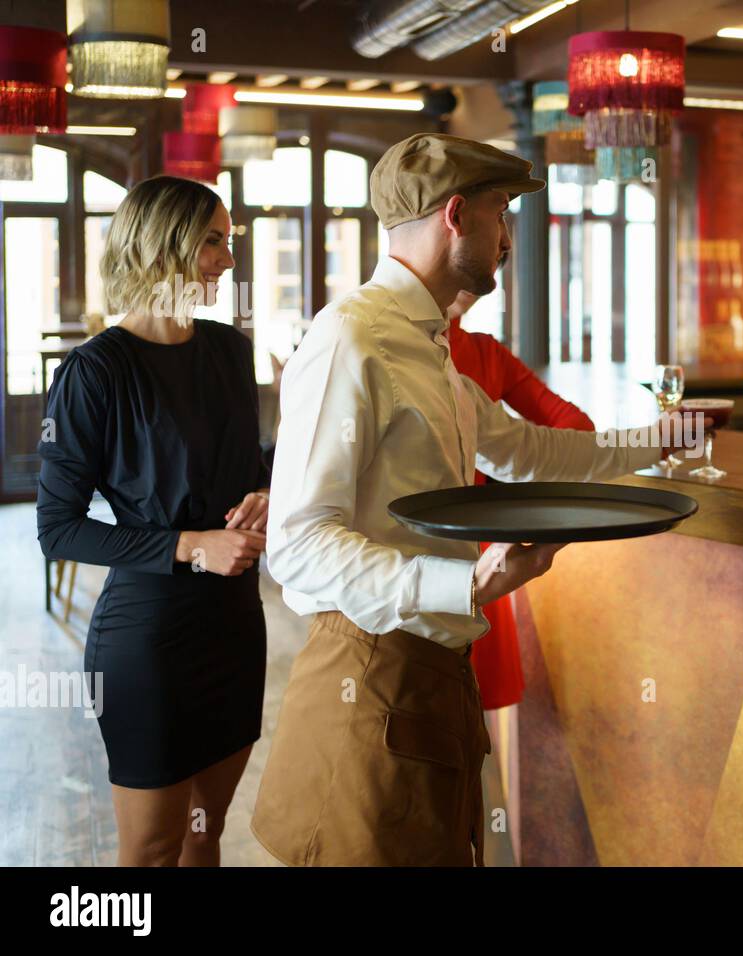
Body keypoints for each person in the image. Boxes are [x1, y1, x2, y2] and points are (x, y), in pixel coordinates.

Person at [250, 133, 687, 866]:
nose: (508, 238)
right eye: (500, 215)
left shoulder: (429, 342)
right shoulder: (351, 338)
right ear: (455, 215)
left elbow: (527, 451)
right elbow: (297, 543)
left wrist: (664, 439)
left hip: (433, 668)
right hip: (369, 672)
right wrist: (468, 582)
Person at [36, 175, 270, 866]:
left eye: (230, 242)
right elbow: (58, 530)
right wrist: (194, 547)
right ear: (161, 244)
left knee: (205, 833)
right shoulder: (94, 372)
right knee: (150, 849)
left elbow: (246, 466)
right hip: (149, 641)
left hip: (235, 627)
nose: (229, 261)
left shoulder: (231, 350)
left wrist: (266, 492)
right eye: (212, 242)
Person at [444, 290, 594, 712]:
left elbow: (575, 427)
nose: (491, 270)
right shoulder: (393, 346)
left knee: (464, 720)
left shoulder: (485, 351)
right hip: (434, 554)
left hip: (475, 552)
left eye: (502, 257)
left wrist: (512, 463)